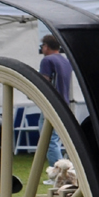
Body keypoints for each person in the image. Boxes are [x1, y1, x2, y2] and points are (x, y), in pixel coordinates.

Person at [39, 33, 73, 167]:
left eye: (42, 46)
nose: (42, 49)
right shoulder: (65, 61)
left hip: (51, 103)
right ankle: (64, 170)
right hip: (64, 103)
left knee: (48, 139)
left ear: (47, 46)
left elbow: (44, 83)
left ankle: (59, 172)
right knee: (56, 139)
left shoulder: (47, 61)